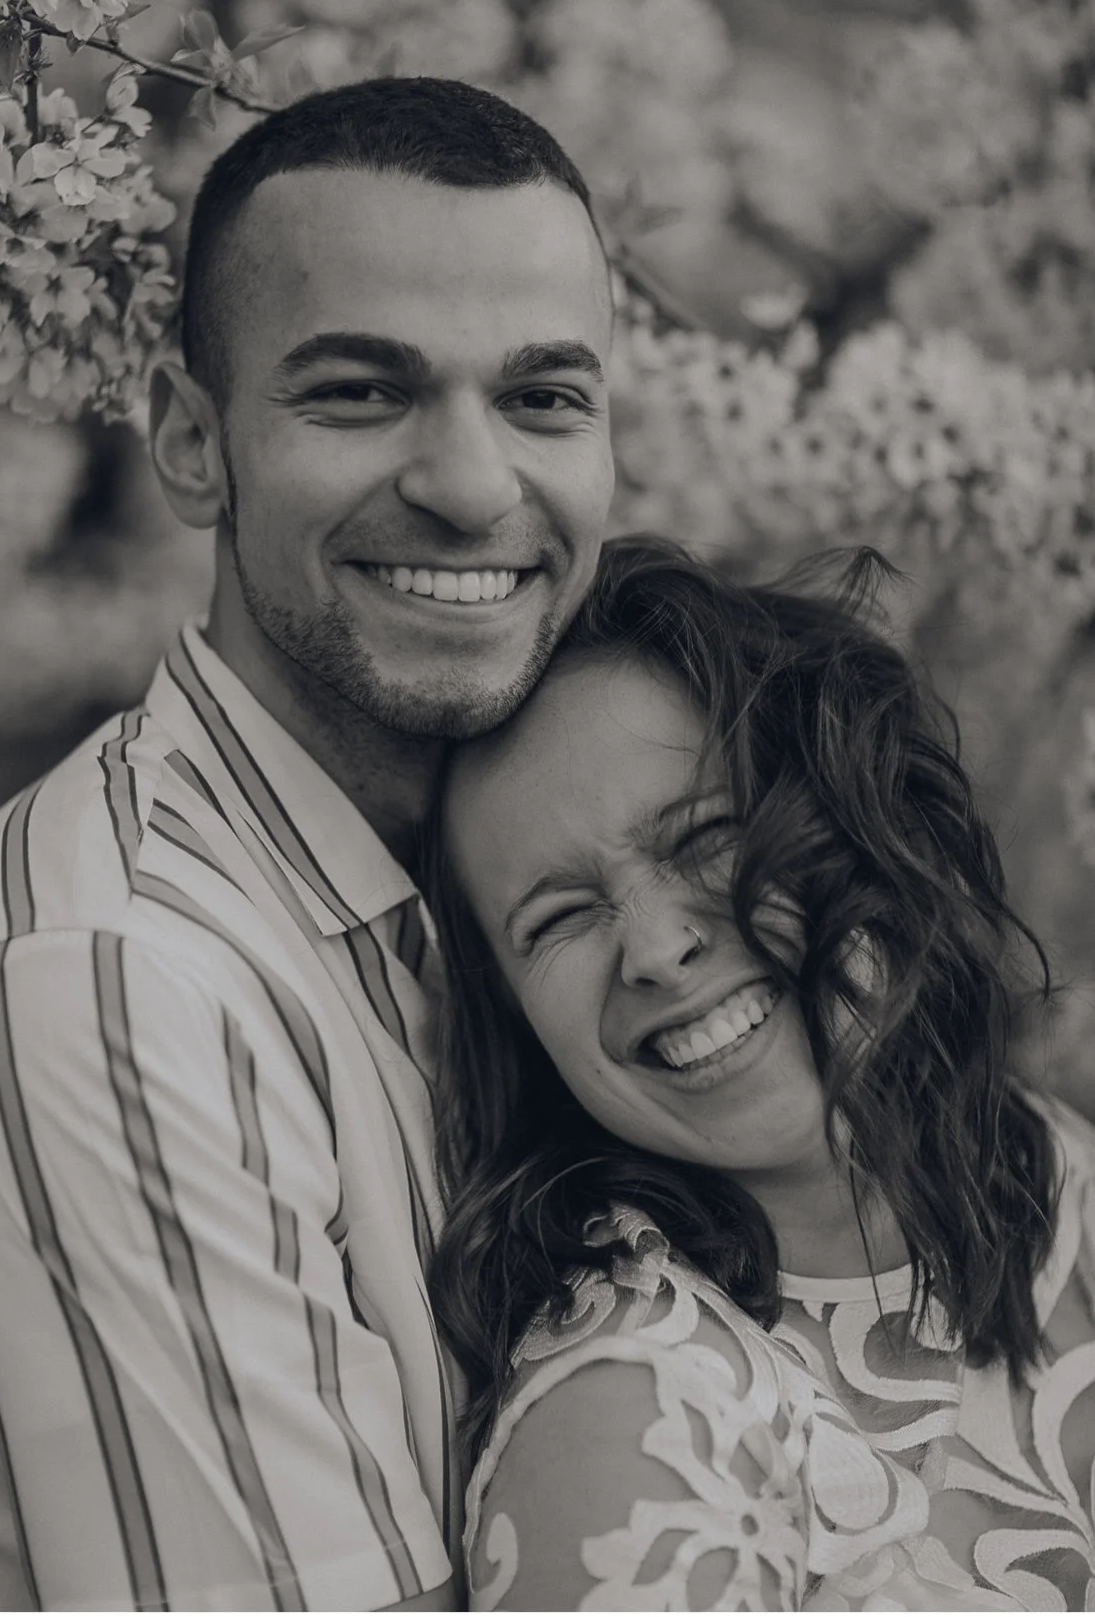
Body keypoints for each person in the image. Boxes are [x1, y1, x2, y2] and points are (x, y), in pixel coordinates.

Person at [0, 75, 618, 1608]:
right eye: (360, 392)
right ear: (191, 444)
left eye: (542, 397)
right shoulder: (109, 988)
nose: (474, 487)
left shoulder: (555, 889)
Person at [429, 539, 1087, 1609]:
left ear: (851, 816)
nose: (651, 947)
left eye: (703, 837)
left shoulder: (1044, 1152)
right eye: (554, 918)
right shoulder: (632, 1433)